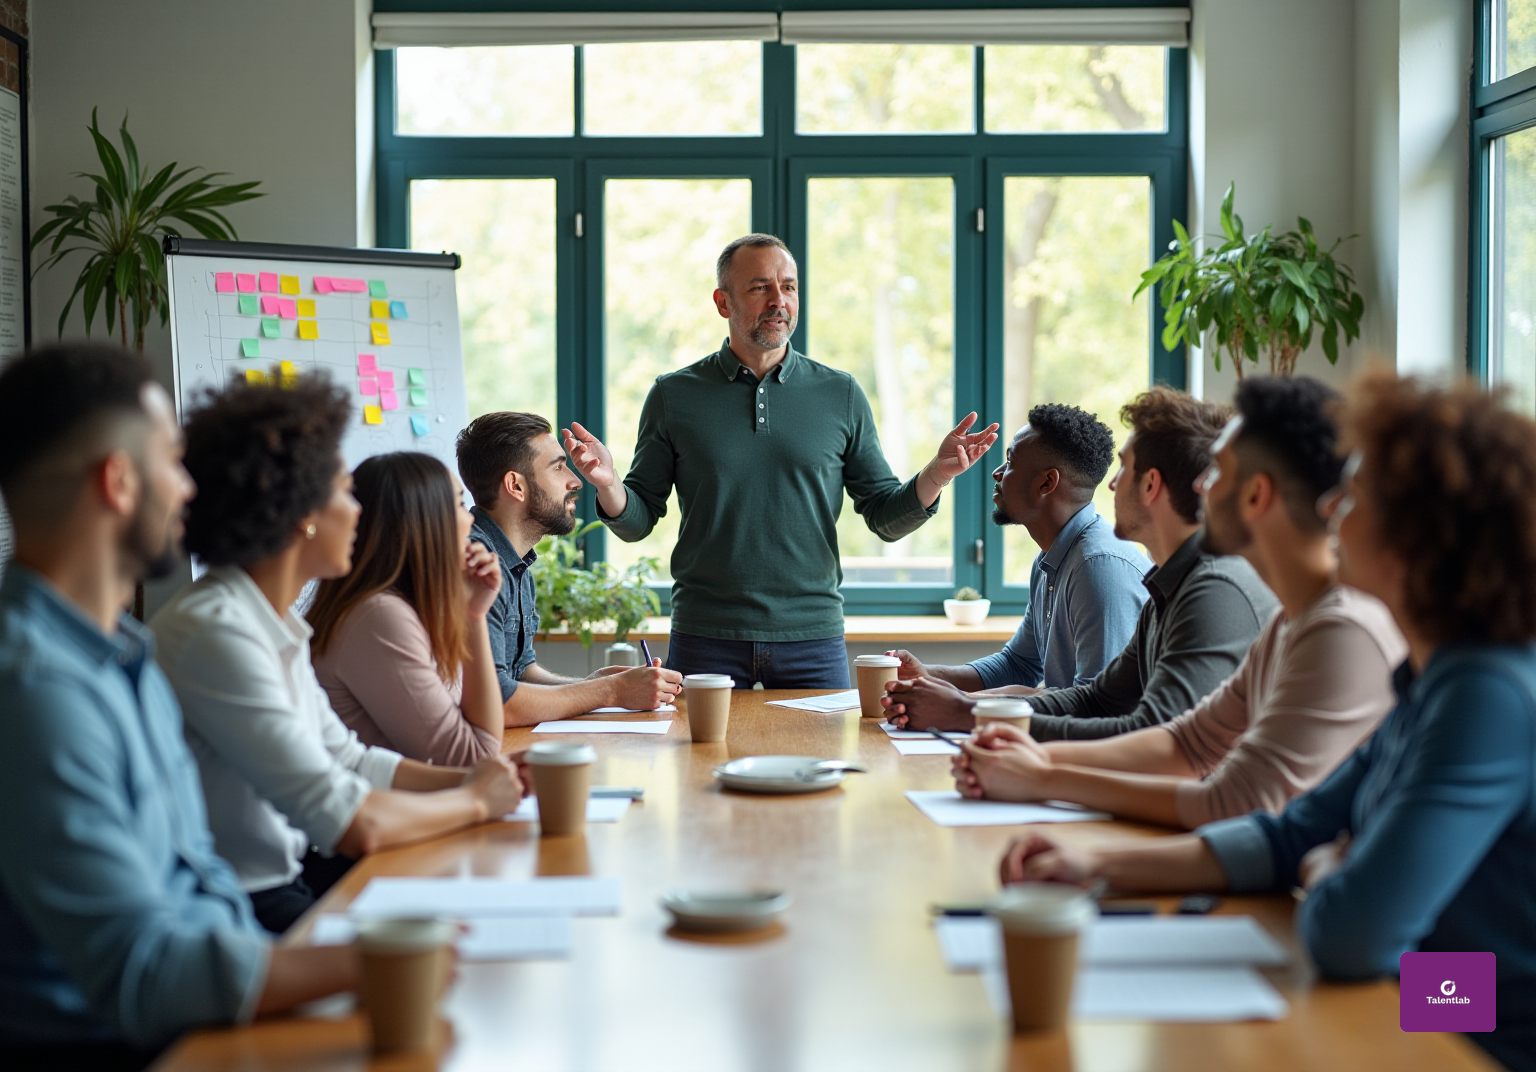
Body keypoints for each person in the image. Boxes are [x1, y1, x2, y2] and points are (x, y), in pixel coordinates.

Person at [998, 373, 1536, 1072]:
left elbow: (1350, 937)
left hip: (1489, 1018)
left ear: (1416, 541)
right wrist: (1095, 865)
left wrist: (1325, 873)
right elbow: (1291, 833)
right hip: (1420, 987)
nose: (1335, 507)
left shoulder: (1485, 692)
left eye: (1357, 496)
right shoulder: (1430, 677)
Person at [0, 344, 355, 1070]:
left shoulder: (124, 657)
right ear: (119, 480)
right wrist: (370, 960)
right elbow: (146, 973)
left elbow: (204, 879)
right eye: (173, 460)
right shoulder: (35, 691)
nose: (190, 489)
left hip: (207, 1020)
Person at [153, 377, 524, 936]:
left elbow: (350, 761)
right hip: (241, 906)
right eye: (342, 492)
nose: (358, 513)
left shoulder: (271, 621)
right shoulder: (216, 631)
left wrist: (485, 780)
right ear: (301, 512)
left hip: (281, 885)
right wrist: (476, 800)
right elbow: (348, 818)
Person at [954, 377, 1405, 828]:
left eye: (1216, 473)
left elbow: (1232, 796)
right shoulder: (1280, 620)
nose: (1201, 486)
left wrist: (1037, 769)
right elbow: (1184, 741)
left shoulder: (1261, 601)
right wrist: (1022, 754)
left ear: (1256, 494)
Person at [562, 233, 999, 688]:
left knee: (825, 763)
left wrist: (937, 474)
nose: (778, 300)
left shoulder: (841, 393)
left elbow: (886, 519)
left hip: (813, 638)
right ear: (722, 302)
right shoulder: (673, 395)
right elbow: (637, 523)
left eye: (788, 286)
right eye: (759, 288)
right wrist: (609, 484)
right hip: (704, 634)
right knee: (693, 760)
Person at [885, 386, 1277, 734]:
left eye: (1123, 468)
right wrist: (955, 700)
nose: (1110, 483)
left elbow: (1138, 731)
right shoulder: (1161, 581)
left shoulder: (1113, 568)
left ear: (1151, 484)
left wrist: (971, 714)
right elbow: (1093, 698)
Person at [885, 404, 1149, 697]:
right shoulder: (1050, 561)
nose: (997, 473)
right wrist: (926, 675)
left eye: (1010, 461)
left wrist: (962, 704)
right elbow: (1019, 664)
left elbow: (1098, 706)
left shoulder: (1099, 568)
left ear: (1047, 482)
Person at [456, 410, 683, 722]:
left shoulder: (516, 563)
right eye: (558, 467)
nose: (576, 480)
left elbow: (521, 672)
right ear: (516, 486)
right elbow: (497, 702)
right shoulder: (475, 563)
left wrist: (595, 683)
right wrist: (611, 691)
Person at [307, 452, 506, 766]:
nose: (469, 518)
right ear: (424, 521)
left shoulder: (405, 608)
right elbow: (475, 758)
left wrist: (473, 611)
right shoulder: (378, 617)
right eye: (457, 504)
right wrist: (473, 617)